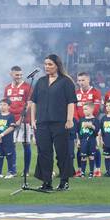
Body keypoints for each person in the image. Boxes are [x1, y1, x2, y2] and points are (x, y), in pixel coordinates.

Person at [28, 53, 78, 192]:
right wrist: (32, 120)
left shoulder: (66, 81)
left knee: (62, 152)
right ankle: (46, 182)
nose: (47, 67)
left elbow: (70, 102)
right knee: (44, 152)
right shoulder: (40, 81)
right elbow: (34, 102)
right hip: (42, 123)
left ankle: (64, 181)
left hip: (60, 122)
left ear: (57, 66)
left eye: (50, 64)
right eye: (45, 64)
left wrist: (69, 119)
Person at [4, 66, 34, 180]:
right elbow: (6, 104)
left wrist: (21, 118)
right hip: (11, 119)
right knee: (11, 144)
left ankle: (26, 170)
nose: (19, 77)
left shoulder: (27, 87)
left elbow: (30, 104)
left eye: (21, 75)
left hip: (24, 120)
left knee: (26, 144)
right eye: (17, 75)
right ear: (11, 74)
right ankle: (12, 170)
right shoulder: (7, 88)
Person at [73, 71, 102, 176]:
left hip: (92, 122)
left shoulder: (95, 92)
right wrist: (78, 120)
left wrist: (88, 119)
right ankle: (80, 169)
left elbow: (96, 108)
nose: (81, 82)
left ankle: (97, 169)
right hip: (80, 123)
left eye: (83, 80)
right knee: (80, 146)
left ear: (88, 80)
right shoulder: (76, 93)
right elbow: (74, 108)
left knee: (95, 147)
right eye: (79, 80)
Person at [0, 99, 17, 179]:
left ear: (9, 106)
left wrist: (1, 135)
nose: (2, 106)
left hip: (8, 140)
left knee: (9, 155)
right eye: (1, 104)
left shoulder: (11, 116)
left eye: (4, 104)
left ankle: (11, 172)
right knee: (0, 156)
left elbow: (11, 128)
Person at [75, 103, 99, 179]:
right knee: (83, 157)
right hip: (83, 141)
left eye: (86, 109)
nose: (84, 111)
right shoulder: (81, 120)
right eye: (83, 109)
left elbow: (97, 131)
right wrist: (78, 140)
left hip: (92, 140)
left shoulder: (95, 120)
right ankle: (82, 172)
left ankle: (91, 172)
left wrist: (91, 126)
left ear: (92, 109)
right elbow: (79, 131)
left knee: (91, 156)